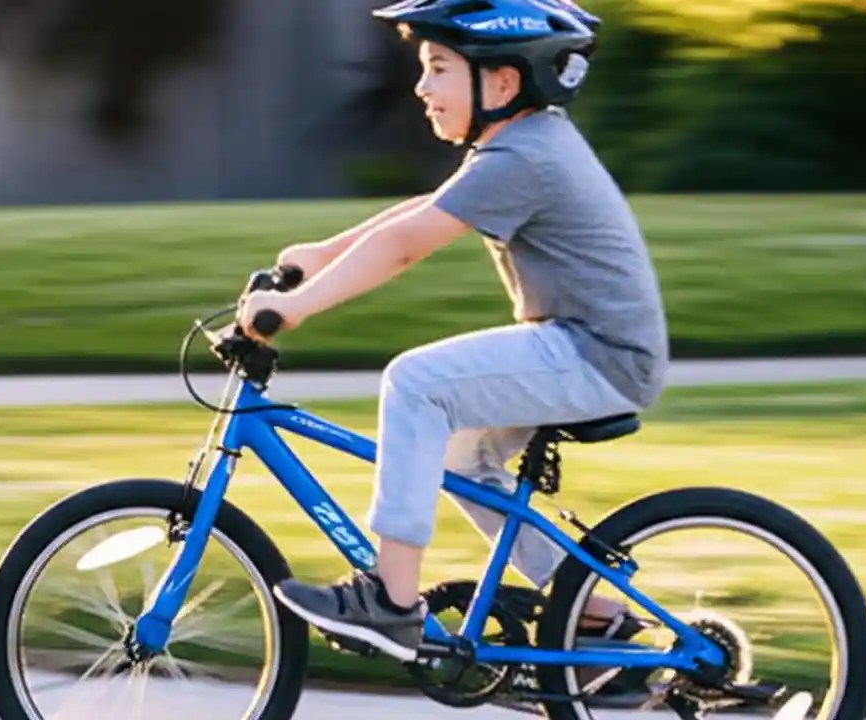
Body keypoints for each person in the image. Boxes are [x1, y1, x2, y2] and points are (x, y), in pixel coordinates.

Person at [237, 0, 669, 661]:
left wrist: (296, 308)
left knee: (416, 384)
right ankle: (593, 614)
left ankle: (391, 600)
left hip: (597, 354)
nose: (421, 87)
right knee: (461, 456)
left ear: (502, 82)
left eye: (438, 67)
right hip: (587, 347)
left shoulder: (526, 157)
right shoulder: (521, 146)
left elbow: (409, 244)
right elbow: (427, 211)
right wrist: (325, 254)